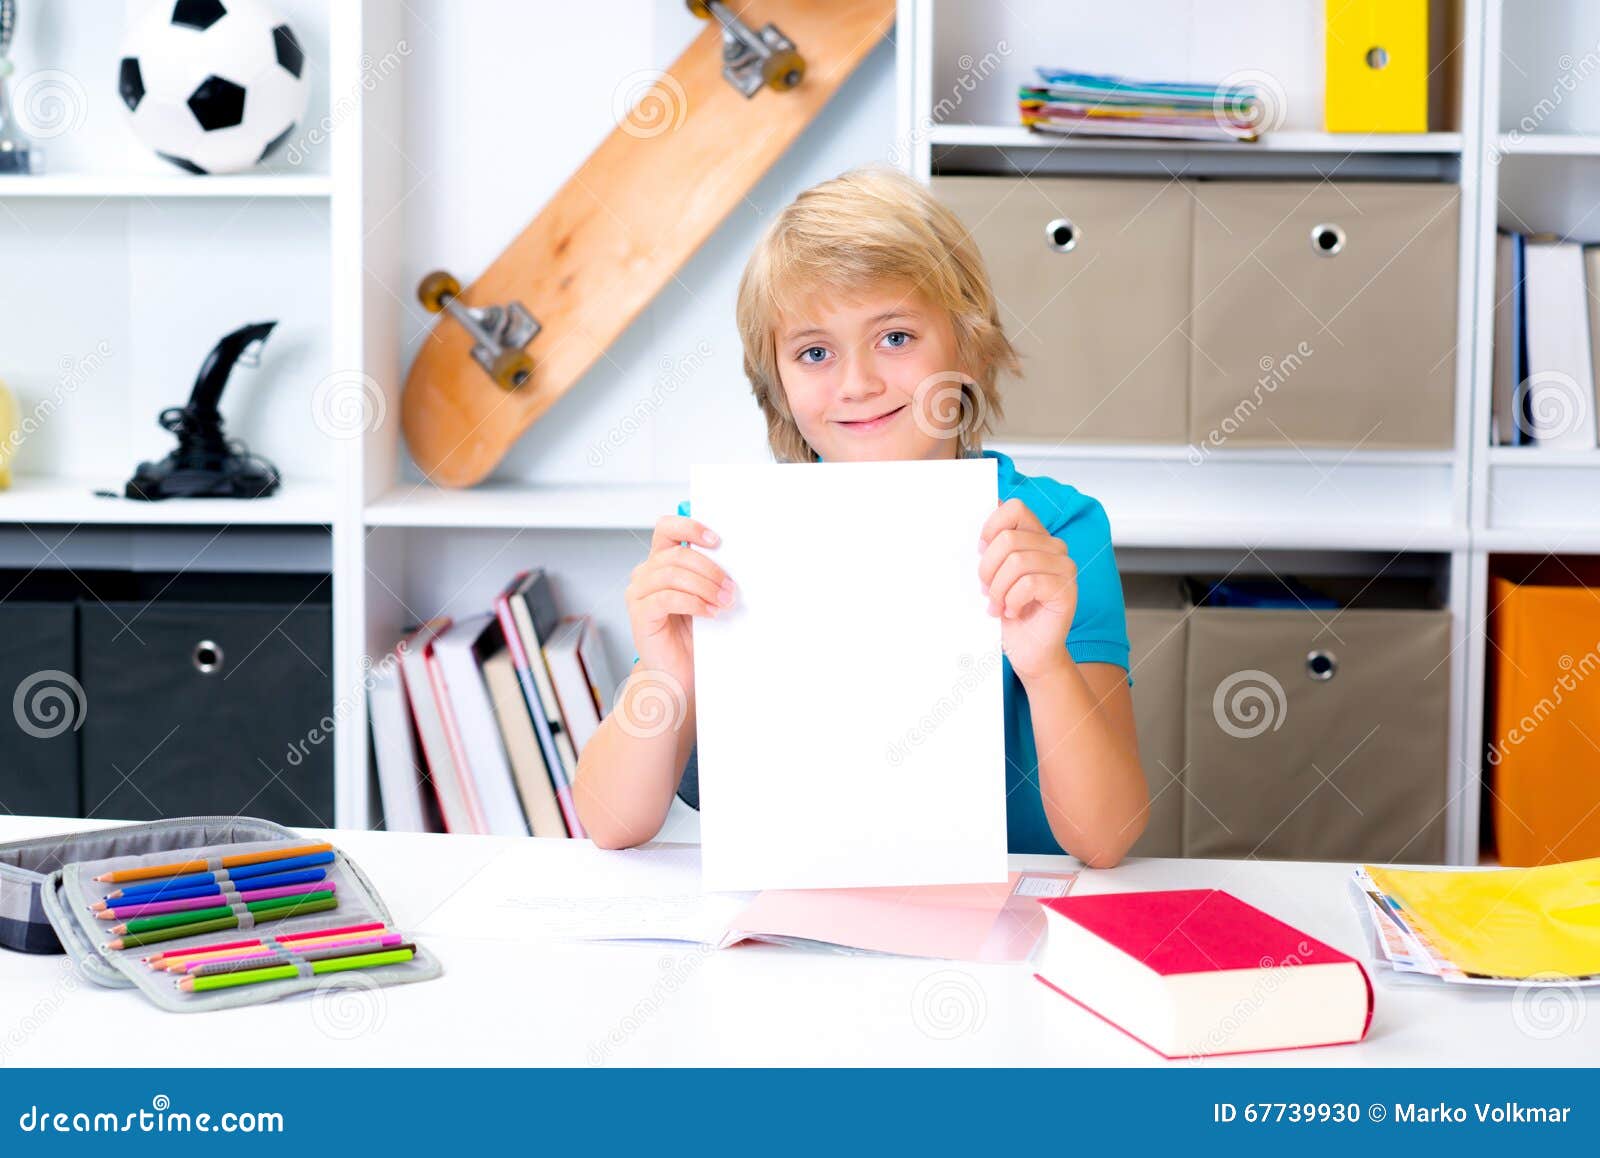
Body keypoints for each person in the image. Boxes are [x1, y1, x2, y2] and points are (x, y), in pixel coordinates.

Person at [575, 166, 1147, 867]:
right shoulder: (723, 538)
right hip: (794, 927)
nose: (859, 384)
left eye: (896, 338)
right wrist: (666, 670)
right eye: (814, 352)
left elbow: (1107, 838)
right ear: (778, 384)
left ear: (966, 343)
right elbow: (610, 822)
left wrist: (1045, 664)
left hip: (1007, 918)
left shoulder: (1052, 532)